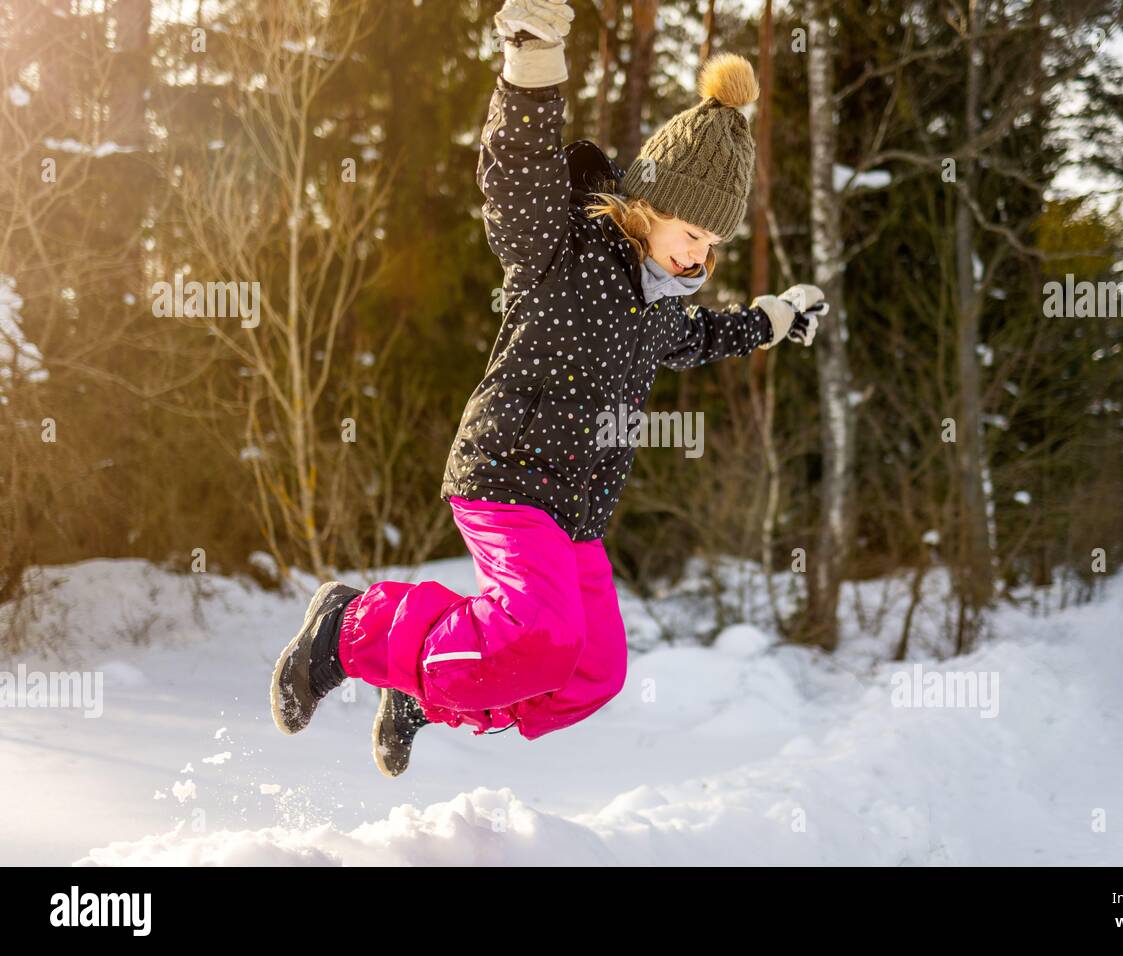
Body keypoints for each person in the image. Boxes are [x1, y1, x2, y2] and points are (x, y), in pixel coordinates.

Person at [271, 0, 826, 776]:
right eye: (693, 234)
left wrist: (774, 318)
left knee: (593, 674)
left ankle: (423, 691)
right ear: (650, 203)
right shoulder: (561, 246)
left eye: (713, 244)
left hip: (573, 511)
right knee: (542, 635)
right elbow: (517, 170)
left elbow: (705, 337)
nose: (701, 257)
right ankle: (349, 629)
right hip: (506, 473)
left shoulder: (658, 305)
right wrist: (533, 57)